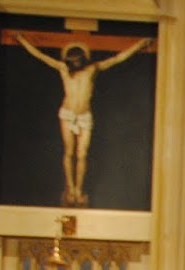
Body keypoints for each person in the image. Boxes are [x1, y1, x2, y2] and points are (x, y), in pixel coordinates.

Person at [14, 33, 152, 206]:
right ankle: (71, 188)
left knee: (82, 154)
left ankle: (78, 188)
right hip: (68, 114)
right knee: (69, 152)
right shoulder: (64, 69)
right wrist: (22, 41)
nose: (76, 63)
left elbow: (118, 58)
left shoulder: (92, 69)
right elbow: (40, 56)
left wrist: (139, 45)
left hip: (84, 116)